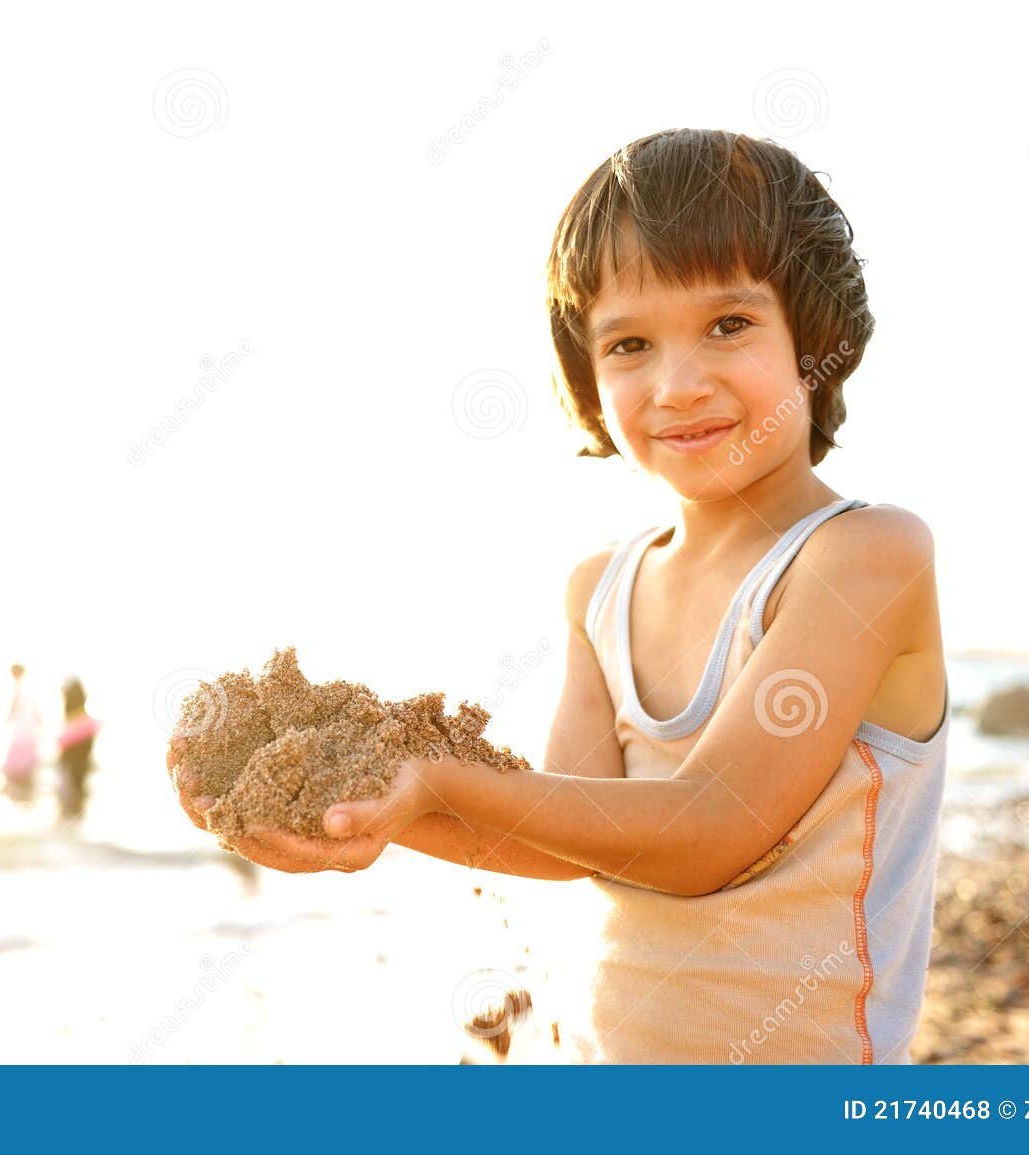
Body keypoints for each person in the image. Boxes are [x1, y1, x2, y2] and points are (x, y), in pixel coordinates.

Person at [171, 129, 949, 1064]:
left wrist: (440, 774)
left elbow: (712, 828)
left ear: (814, 337)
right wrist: (375, 812)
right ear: (586, 372)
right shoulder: (601, 589)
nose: (678, 382)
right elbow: (555, 836)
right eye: (628, 343)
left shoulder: (865, 555)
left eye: (729, 325)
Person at [56, 677, 100, 821]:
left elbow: (64, 742)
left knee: (71, 788)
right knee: (79, 786)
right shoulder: (84, 717)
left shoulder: (72, 712)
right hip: (81, 758)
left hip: (72, 756)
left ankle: (71, 817)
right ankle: (76, 818)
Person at [0, 663, 40, 803]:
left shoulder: (19, 689)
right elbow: (38, 715)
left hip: (22, 732)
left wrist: (5, 723)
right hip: (29, 732)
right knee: (25, 765)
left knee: (16, 766)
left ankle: (19, 795)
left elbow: (12, 711)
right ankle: (24, 795)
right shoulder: (30, 690)